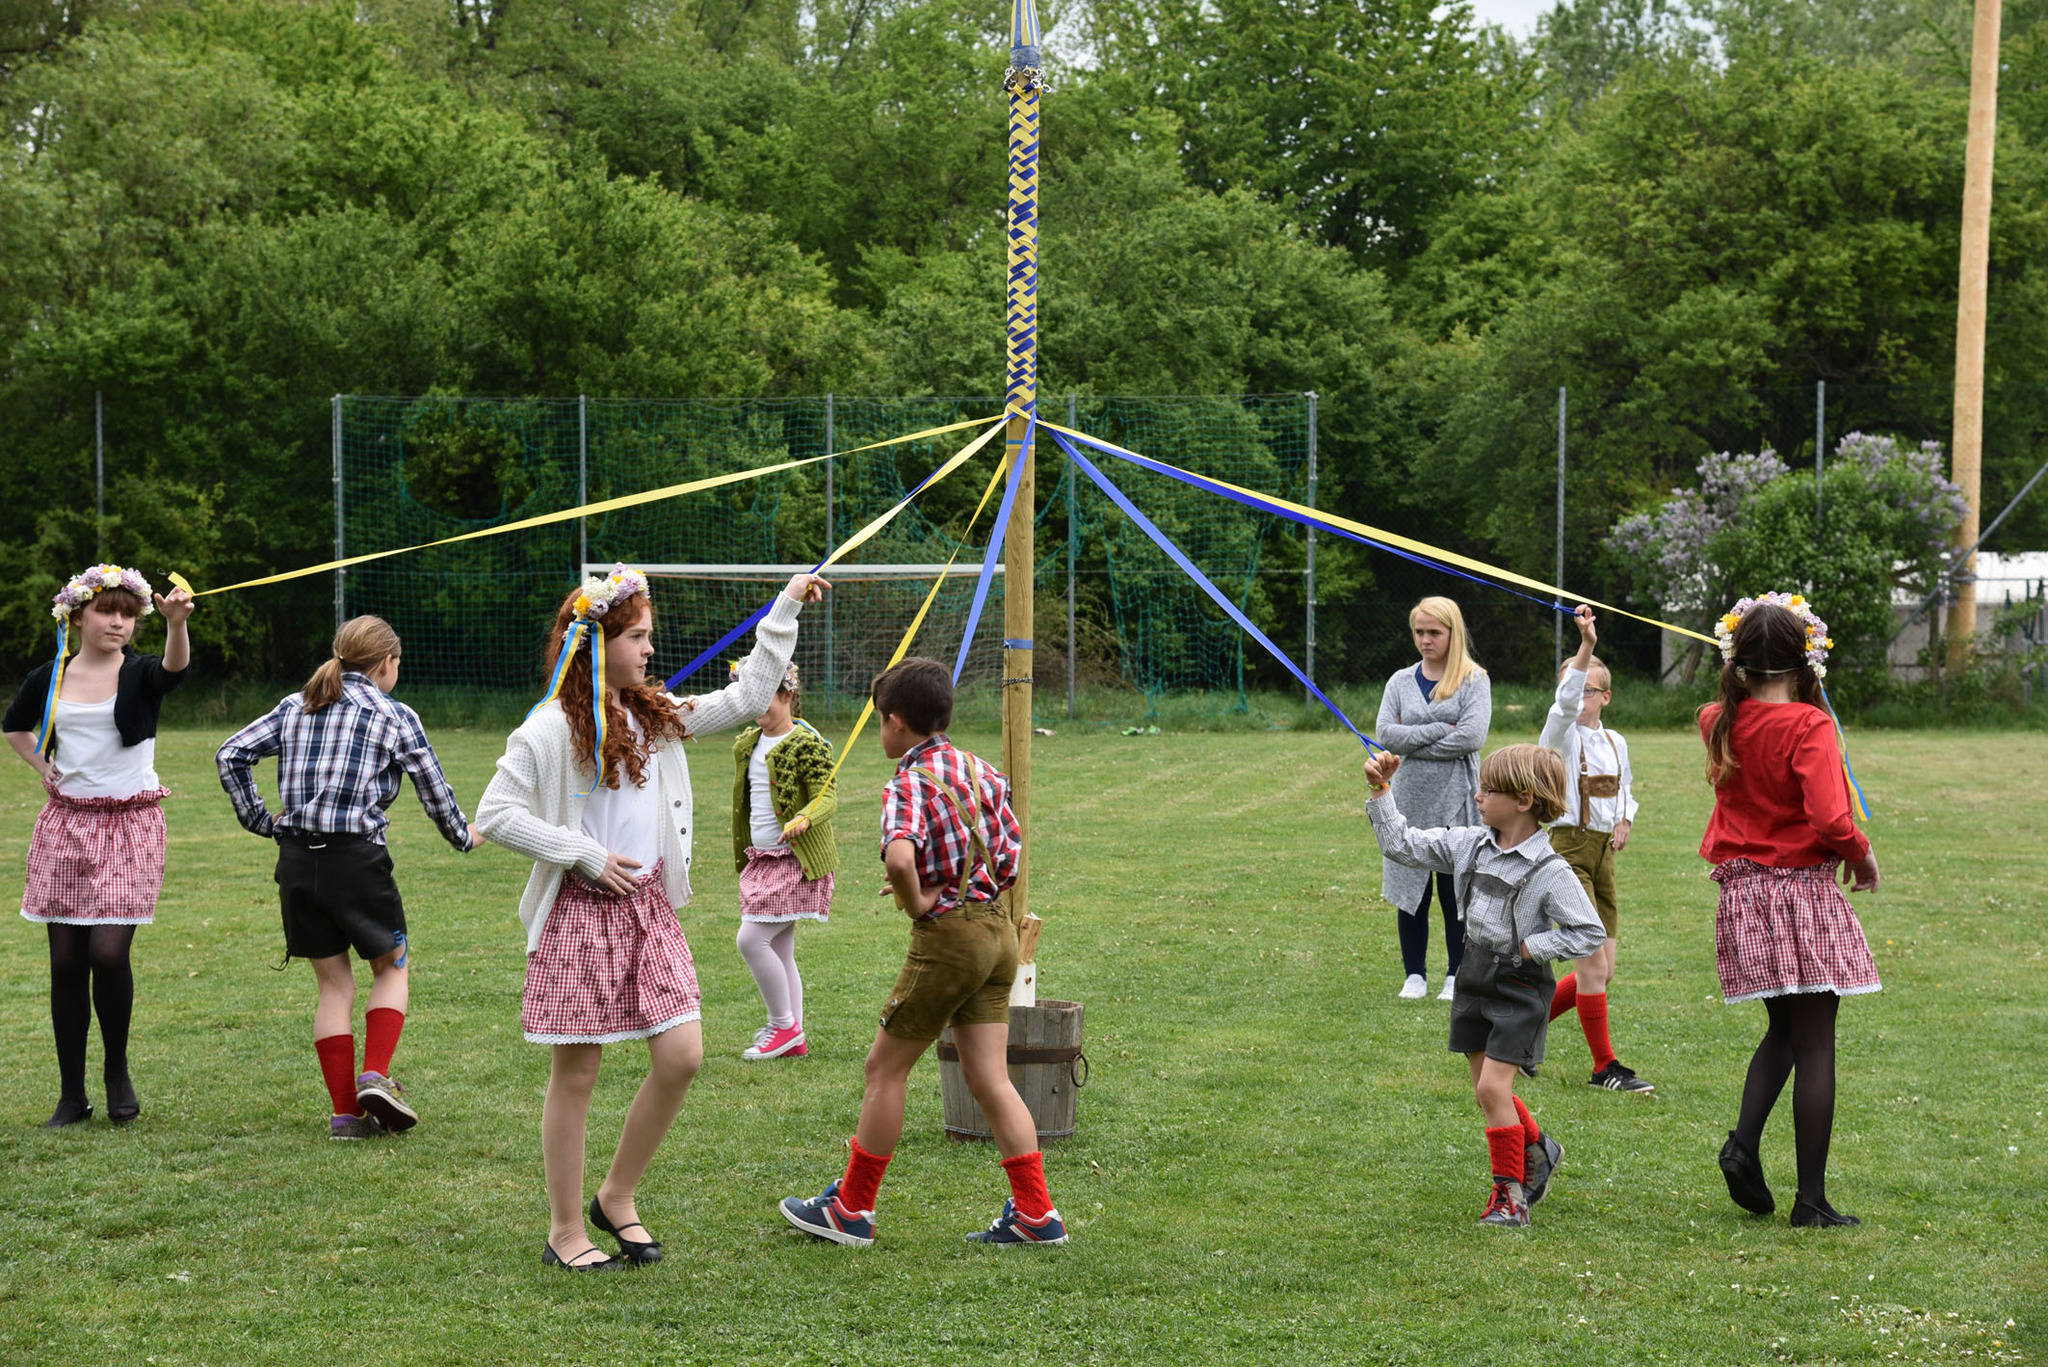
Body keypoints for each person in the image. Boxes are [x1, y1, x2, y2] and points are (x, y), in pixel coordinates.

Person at [478, 566, 828, 1272]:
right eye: (636, 636)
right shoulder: (549, 727)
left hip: (650, 911)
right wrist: (579, 852)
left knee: (683, 1053)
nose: (647, 650)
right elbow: (494, 812)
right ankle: (566, 1229)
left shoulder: (656, 713)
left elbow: (751, 694)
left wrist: (785, 605)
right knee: (577, 1072)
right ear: (595, 639)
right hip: (581, 914)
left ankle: (618, 1194)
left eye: (648, 637)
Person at [779, 657, 1066, 1248]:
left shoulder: (908, 782)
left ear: (896, 722)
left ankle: (852, 1209)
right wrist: (946, 883)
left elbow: (900, 858)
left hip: (951, 941)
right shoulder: (979, 769)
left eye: (880, 722)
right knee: (989, 1076)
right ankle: (1037, 1214)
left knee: (885, 1069)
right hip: (998, 937)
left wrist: (918, 900)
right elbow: (1008, 856)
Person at [217, 615, 480, 1141]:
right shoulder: (393, 714)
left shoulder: (296, 705)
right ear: (387, 663)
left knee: (333, 985)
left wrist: (259, 820)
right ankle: (376, 1075)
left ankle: (346, 1116)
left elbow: (231, 754)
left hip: (296, 863)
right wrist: (463, 835)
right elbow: (434, 789)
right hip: (356, 860)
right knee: (392, 965)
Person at [1363, 742, 1607, 1228]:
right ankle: (1538, 1146)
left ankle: (1509, 1198)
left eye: (1487, 789)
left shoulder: (1550, 871)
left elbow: (1589, 931)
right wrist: (1380, 790)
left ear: (1523, 801)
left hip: (1518, 990)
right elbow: (1402, 844)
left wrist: (1529, 950)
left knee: (1494, 1090)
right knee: (1484, 1089)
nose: (1476, 796)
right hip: (1473, 977)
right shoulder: (1469, 844)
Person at [1700, 594, 1880, 1229]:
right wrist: (1860, 856)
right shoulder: (1809, 726)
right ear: (1808, 661)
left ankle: (1743, 1146)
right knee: (1816, 1041)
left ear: (1739, 659)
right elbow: (1831, 818)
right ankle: (1811, 1201)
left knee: (1784, 1029)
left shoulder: (1716, 720)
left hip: (1743, 896)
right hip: (1799, 894)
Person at [4, 565, 193, 1127]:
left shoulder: (139, 674)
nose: (119, 623)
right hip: (65, 827)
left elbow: (173, 670)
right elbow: (15, 727)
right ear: (77, 616)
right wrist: (46, 768)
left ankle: (116, 1071)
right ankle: (70, 1095)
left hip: (130, 826)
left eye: (129, 615)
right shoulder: (51, 676)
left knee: (107, 954)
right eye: (108, 612)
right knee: (65, 961)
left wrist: (175, 624)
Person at [1537, 605, 1653, 1094]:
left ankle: (1516, 1032)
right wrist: (1585, 645)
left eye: (1588, 687)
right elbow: (1564, 704)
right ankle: (1604, 1066)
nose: (1578, 694)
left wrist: (1625, 818)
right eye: (1572, 685)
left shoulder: (1616, 740)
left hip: (1602, 854)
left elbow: (1625, 785)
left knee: (1604, 969)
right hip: (1567, 849)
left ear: (1606, 697)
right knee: (1591, 962)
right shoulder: (1557, 736)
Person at [1375, 596, 1493, 1001]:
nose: (1425, 640)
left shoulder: (1475, 680)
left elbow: (1473, 737)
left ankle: (1455, 974)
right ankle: (1414, 974)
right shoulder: (1400, 681)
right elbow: (1386, 734)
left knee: (1454, 887)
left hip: (1459, 797)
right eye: (1419, 632)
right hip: (1408, 796)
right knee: (1412, 885)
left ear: (1452, 633)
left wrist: (1415, 735)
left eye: (1433, 633)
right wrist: (1444, 727)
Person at [729, 661, 837, 1061]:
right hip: (761, 859)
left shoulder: (806, 744)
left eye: (766, 698)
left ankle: (784, 1026)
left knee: (751, 939)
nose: (758, 707)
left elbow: (827, 794)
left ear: (788, 695)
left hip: (794, 861)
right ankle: (795, 1036)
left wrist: (805, 817)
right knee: (781, 948)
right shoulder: (748, 743)